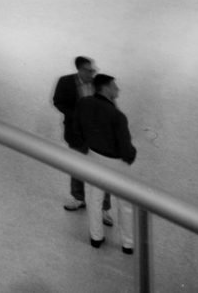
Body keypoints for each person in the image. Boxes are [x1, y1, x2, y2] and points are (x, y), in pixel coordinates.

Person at [77, 74, 136, 252]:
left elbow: (76, 129)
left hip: (93, 157)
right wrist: (131, 155)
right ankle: (128, 243)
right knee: (125, 203)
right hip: (115, 162)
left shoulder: (84, 103)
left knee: (94, 198)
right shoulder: (118, 116)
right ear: (105, 88)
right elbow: (126, 148)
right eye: (114, 86)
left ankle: (96, 237)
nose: (117, 89)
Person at [52, 55, 110, 216]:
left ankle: (104, 209)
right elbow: (58, 101)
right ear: (79, 70)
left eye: (93, 70)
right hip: (76, 132)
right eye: (88, 70)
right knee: (77, 166)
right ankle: (79, 198)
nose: (91, 73)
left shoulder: (98, 84)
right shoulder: (65, 82)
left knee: (102, 171)